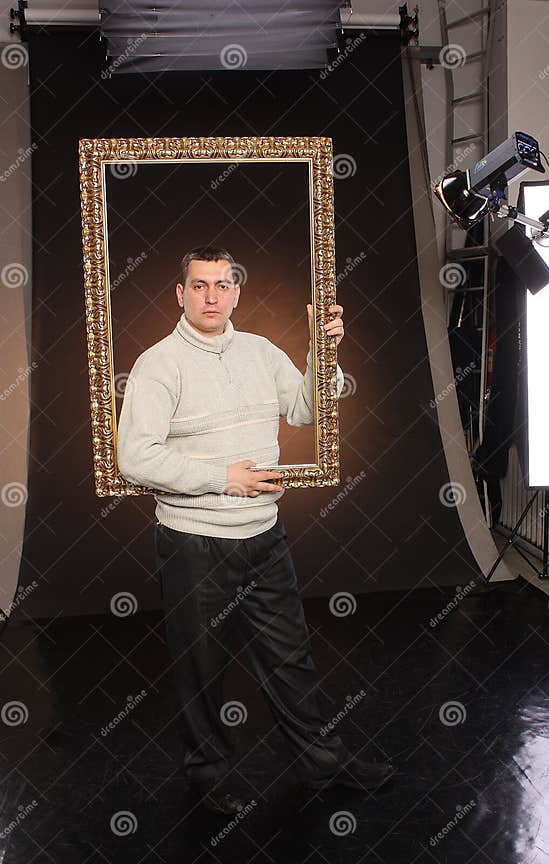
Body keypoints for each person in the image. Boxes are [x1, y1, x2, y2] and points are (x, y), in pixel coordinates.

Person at [117, 246, 394, 815]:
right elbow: (134, 458)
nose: (211, 296)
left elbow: (309, 409)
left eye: (222, 285)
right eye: (199, 286)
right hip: (194, 542)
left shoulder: (261, 352)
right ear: (181, 293)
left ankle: (323, 762)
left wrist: (325, 346)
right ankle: (207, 776)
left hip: (264, 536)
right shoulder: (158, 364)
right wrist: (224, 478)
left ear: (237, 292)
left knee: (290, 658)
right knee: (201, 667)